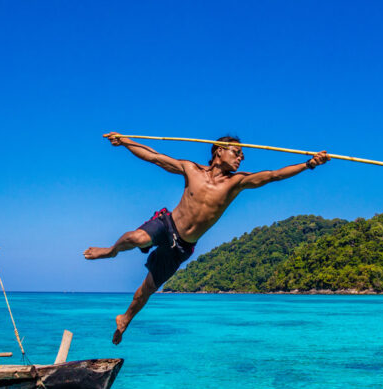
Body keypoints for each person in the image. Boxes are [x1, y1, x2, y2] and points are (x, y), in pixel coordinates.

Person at [85, 133, 330, 344]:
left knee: (147, 289)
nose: (241, 157)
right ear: (218, 151)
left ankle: (125, 318)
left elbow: (274, 175)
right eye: (237, 152)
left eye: (242, 154)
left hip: (182, 246)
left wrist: (309, 164)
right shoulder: (191, 170)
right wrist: (125, 141)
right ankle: (110, 251)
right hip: (167, 224)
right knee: (137, 238)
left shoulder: (237, 182)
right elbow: (154, 157)